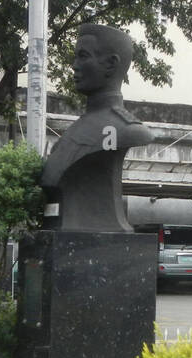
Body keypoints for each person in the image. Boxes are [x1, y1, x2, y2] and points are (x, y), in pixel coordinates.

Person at [40, 24, 155, 232]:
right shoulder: (78, 127)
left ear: (111, 64)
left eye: (83, 56)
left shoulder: (126, 129)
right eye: (75, 57)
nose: (74, 65)